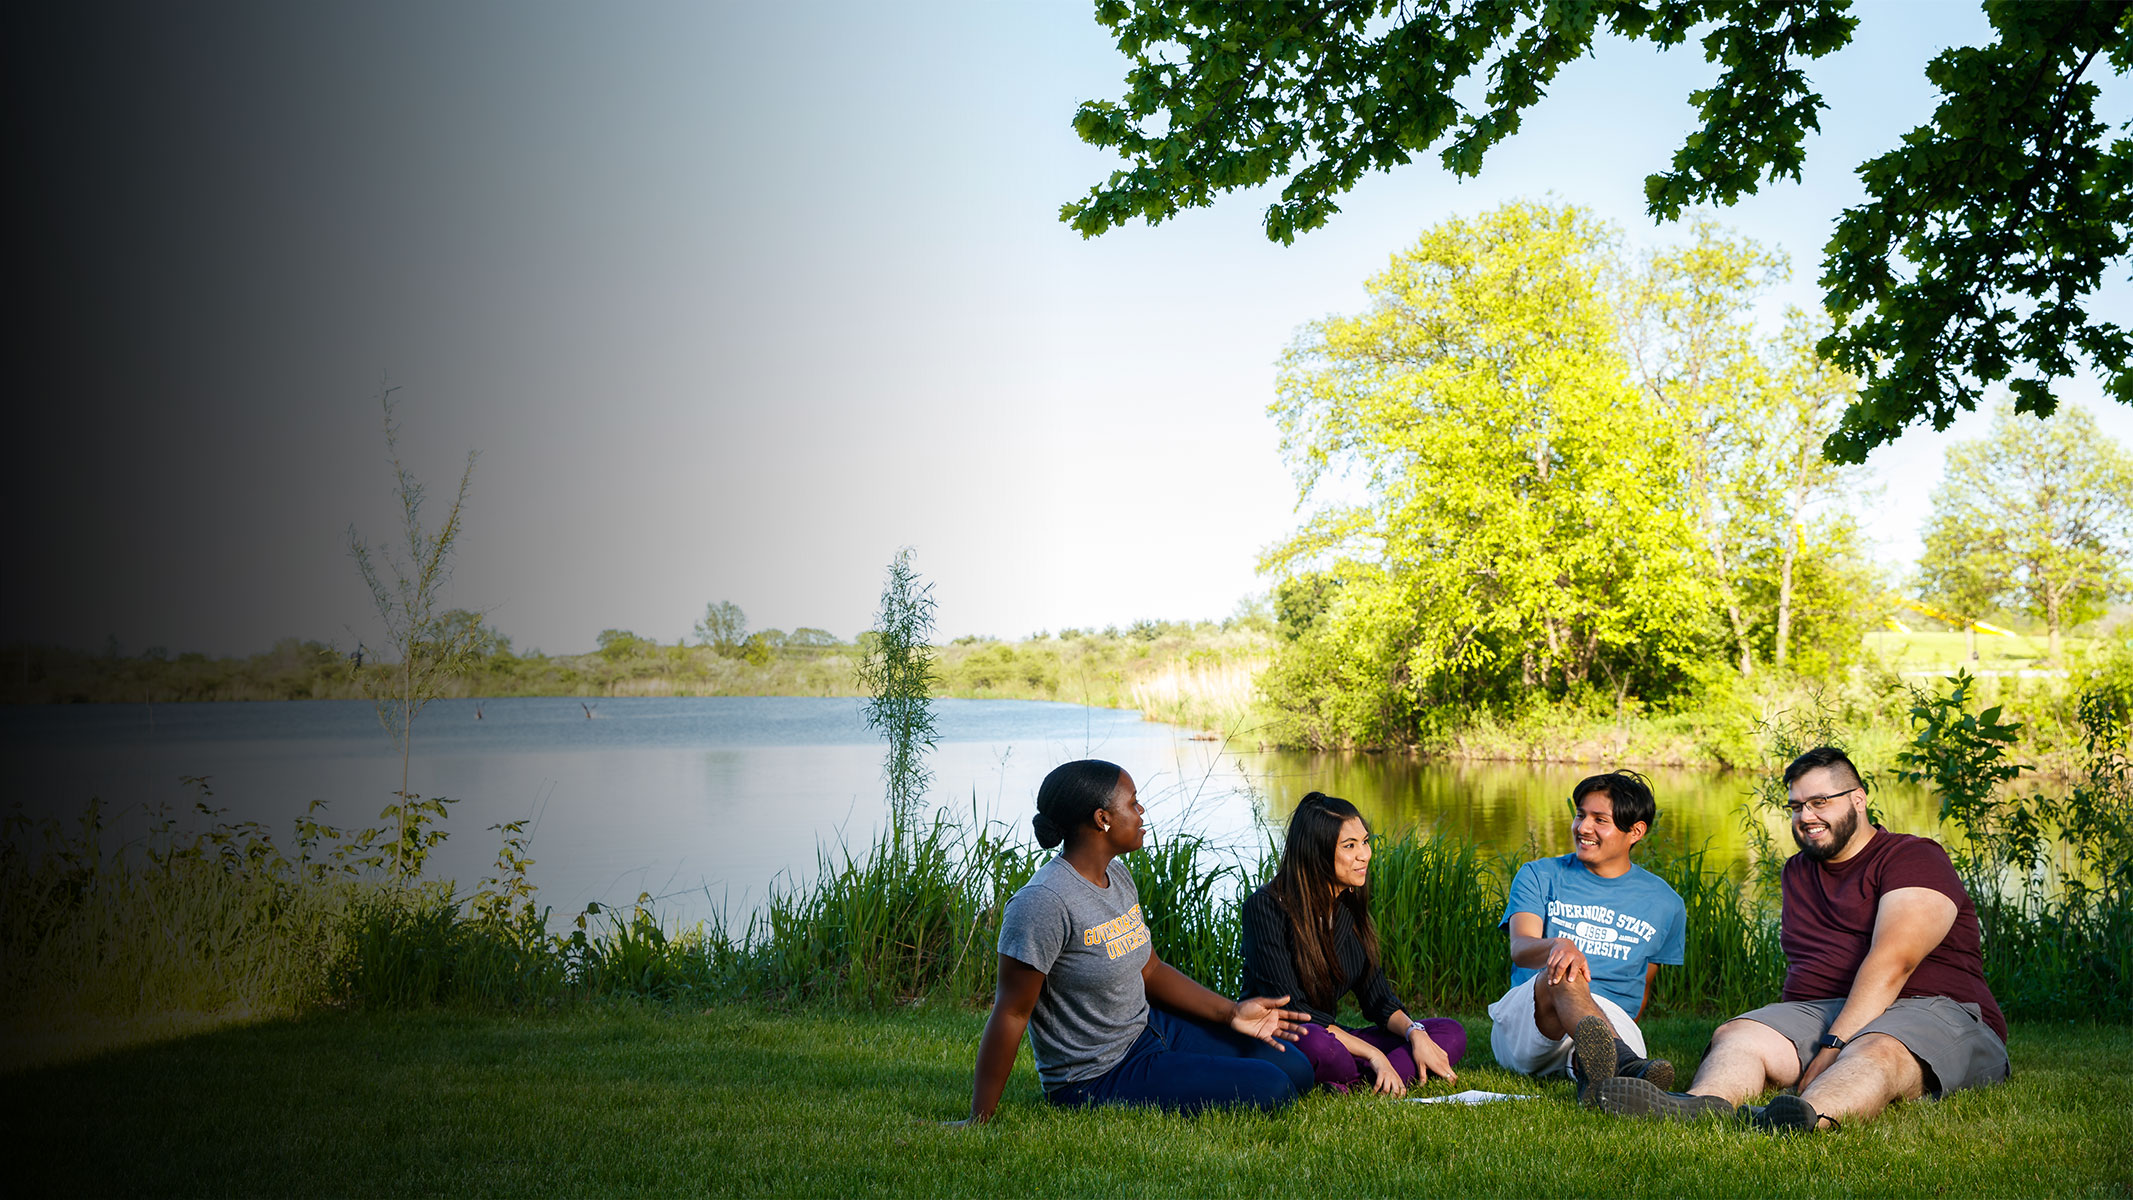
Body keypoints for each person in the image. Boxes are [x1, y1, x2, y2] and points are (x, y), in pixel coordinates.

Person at [1597, 746, 2009, 1131]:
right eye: (1796, 806)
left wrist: (1831, 1048)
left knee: (1876, 1050)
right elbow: (1810, 966)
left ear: (1859, 799)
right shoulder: (1798, 871)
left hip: (1934, 1009)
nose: (1806, 815)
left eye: (1820, 801)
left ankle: (1809, 1115)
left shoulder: (1913, 857)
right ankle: (1699, 1105)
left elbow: (1894, 961)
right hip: (1833, 1008)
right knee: (1737, 1035)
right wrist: (1785, 1031)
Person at [953, 759, 1314, 1123]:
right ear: (1102, 819)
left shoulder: (1117, 874)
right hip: (1096, 1075)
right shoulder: (1043, 902)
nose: (1141, 812)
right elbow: (1012, 1012)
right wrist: (979, 1117)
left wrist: (1232, 1012)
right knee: (1273, 1088)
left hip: (1147, 1027)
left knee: (1295, 1068)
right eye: (1133, 803)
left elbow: (1151, 969)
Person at [1239, 791, 1466, 1095]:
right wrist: (1375, 1054)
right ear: (1316, 853)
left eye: (1365, 841)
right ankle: (1374, 1073)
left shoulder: (1349, 907)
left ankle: (1351, 1082)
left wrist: (1416, 1034)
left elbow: (1379, 999)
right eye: (1350, 846)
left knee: (1449, 1032)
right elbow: (1292, 1012)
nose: (1365, 854)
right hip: (1287, 1036)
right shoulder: (1265, 908)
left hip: (1334, 1037)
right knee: (1317, 1044)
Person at [1487, 770, 1686, 1101]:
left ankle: (1594, 1073)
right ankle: (1624, 1065)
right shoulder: (1539, 874)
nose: (1583, 828)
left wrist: (1595, 1021)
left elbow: (1641, 989)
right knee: (1565, 970)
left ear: (1635, 831)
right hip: (1532, 1021)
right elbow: (1521, 949)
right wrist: (1559, 945)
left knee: (1593, 1029)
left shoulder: (1666, 904)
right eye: (1580, 815)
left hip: (1611, 1023)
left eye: (1599, 819)